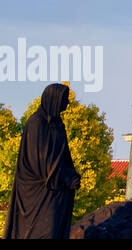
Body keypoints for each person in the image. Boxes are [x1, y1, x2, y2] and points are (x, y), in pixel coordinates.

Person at [4, 84, 81, 239]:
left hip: (56, 188)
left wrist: (72, 175)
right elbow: (39, 161)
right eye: (64, 99)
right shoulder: (36, 123)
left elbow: (64, 156)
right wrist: (65, 178)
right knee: (45, 232)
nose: (66, 103)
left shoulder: (58, 125)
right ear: (54, 99)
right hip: (38, 189)